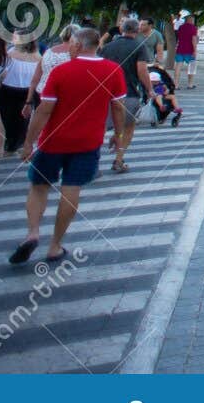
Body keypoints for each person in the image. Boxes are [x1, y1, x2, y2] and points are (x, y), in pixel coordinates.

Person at [9, 27, 128, 265]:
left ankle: (33, 233)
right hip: (88, 142)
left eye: (72, 44)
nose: (70, 47)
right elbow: (117, 107)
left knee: (39, 185)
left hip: (53, 141)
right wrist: (118, 134)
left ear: (78, 45)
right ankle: (55, 246)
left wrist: (28, 142)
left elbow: (44, 110)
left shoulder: (61, 72)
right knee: (71, 188)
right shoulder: (113, 70)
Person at [101, 16, 152, 174]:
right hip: (129, 93)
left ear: (122, 30)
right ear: (137, 31)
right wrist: (149, 89)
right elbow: (142, 71)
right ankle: (119, 159)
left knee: (100, 128)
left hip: (105, 94)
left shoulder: (107, 47)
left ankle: (93, 161)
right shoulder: (139, 47)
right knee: (128, 127)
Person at [0, 34, 41, 156]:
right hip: (27, 90)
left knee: (3, 119)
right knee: (24, 119)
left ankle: (1, 149)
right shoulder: (38, 57)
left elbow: (3, 74)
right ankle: (20, 145)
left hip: (8, 88)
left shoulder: (11, 53)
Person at [173, 13, 200, 89]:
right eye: (193, 19)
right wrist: (195, 50)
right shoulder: (193, 28)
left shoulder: (181, 27)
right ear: (191, 20)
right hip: (190, 50)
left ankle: (176, 85)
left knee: (178, 66)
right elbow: (193, 39)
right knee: (191, 66)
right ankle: (190, 84)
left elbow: (178, 38)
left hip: (180, 49)